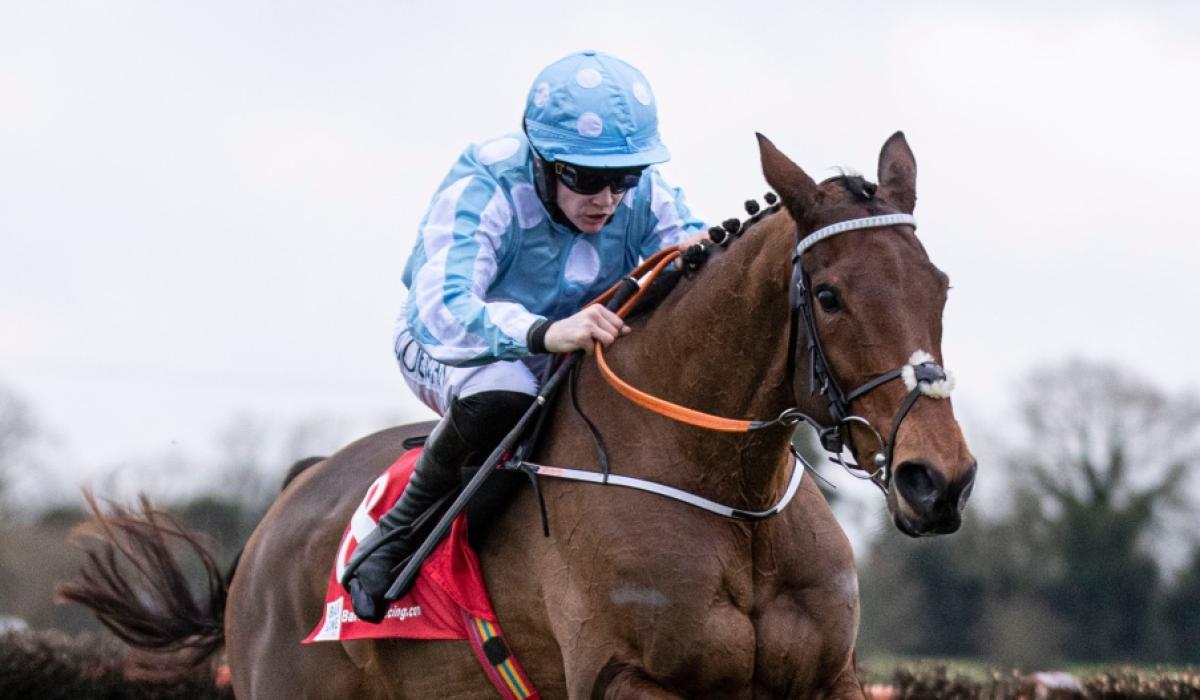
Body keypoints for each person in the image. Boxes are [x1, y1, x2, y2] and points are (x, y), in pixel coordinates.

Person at [343, 50, 708, 623]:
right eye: (587, 179)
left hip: (571, 343)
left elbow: (691, 258)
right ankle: (396, 535)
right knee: (507, 388)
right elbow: (442, 307)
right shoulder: (485, 184)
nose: (608, 200)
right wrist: (542, 332)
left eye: (624, 179)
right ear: (544, 160)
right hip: (453, 344)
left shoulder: (639, 192)